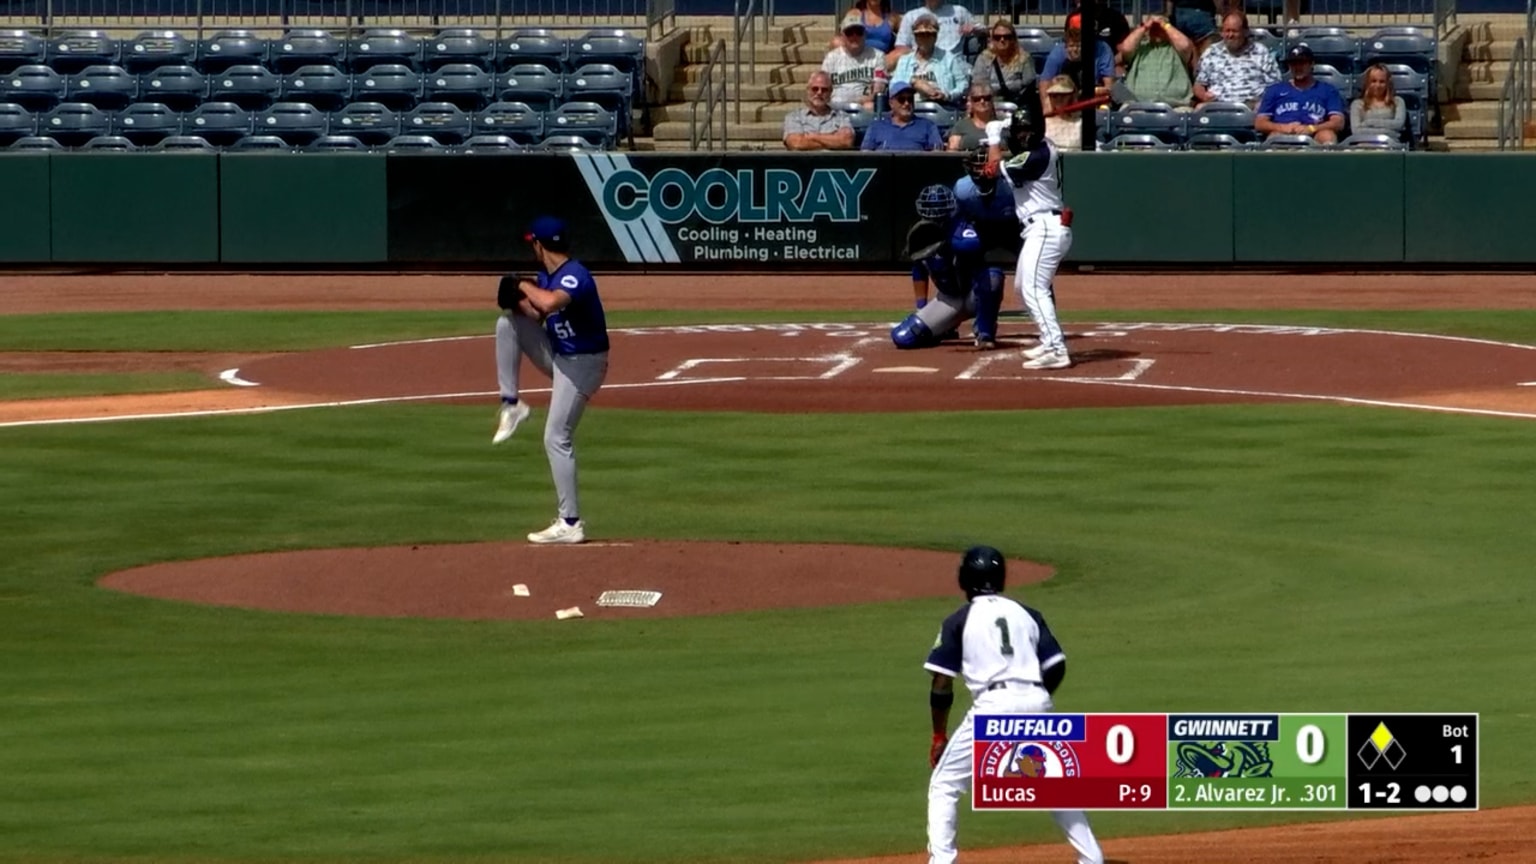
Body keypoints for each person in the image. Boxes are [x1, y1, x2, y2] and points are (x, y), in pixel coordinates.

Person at [924, 545, 1106, 864]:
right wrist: (1035, 703)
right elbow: (1056, 665)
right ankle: (1092, 858)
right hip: (1037, 700)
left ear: (965, 579)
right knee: (1055, 785)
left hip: (994, 704)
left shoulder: (959, 620)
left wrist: (939, 735)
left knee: (945, 784)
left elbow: (941, 682)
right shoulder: (1028, 614)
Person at [493, 216, 610, 545]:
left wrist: (522, 284)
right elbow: (538, 313)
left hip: (584, 364)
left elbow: (549, 301)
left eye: (532, 243)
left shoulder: (575, 274)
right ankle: (511, 404)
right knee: (508, 324)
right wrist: (517, 300)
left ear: (539, 245)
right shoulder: (547, 277)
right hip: (560, 356)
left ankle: (570, 523)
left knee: (557, 436)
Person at [984, 89, 1074, 370]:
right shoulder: (1042, 147)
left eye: (1027, 131)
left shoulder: (1036, 156)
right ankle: (1049, 341)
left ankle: (1057, 349)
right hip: (1041, 228)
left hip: (1045, 227)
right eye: (1020, 131)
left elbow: (992, 168)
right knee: (1024, 288)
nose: (1023, 136)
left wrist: (994, 136)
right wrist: (1009, 127)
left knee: (1035, 288)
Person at [891, 185, 1005, 350]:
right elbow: (919, 269)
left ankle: (984, 332)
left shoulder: (962, 225)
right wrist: (921, 307)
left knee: (993, 276)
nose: (934, 213)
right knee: (903, 337)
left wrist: (946, 242)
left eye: (938, 208)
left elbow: (973, 244)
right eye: (930, 208)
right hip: (949, 298)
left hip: (973, 294)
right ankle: (946, 327)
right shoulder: (920, 233)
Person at [1255, 44, 1345, 143]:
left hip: (1315, 134)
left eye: (1302, 63)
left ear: (1311, 64)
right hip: (1284, 133)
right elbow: (1260, 123)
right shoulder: (1275, 90)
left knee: (1327, 135)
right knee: (1275, 136)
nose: (1298, 67)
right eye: (1294, 64)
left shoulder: (1327, 90)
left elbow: (1338, 122)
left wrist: (1311, 128)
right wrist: (1282, 127)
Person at [1193, 11, 1281, 107]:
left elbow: (1275, 84)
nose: (1230, 35)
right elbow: (1199, 85)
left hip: (1251, 105)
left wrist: (1263, 103)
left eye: (1234, 31)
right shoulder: (1212, 52)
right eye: (1227, 31)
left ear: (1245, 32)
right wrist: (1204, 96)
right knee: (1199, 109)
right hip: (1218, 104)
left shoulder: (1260, 51)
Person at [1118, 14, 1196, 108]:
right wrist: (1145, 26)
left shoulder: (1177, 49)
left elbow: (1185, 45)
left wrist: (1164, 25)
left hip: (1177, 107)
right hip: (1137, 106)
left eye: (1160, 28)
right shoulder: (1139, 48)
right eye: (1153, 28)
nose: (1157, 30)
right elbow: (1125, 48)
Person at [892, 12, 970, 104]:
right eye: (920, 35)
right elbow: (893, 86)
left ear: (935, 37)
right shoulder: (904, 61)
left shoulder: (949, 59)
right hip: (911, 106)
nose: (925, 39)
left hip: (941, 106)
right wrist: (912, 82)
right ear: (915, 37)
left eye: (929, 34)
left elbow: (963, 84)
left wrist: (947, 95)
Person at [1038, 24, 1115, 109]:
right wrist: (1047, 111)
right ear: (1065, 47)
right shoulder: (1057, 55)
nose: (1075, 49)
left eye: (1078, 46)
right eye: (1071, 46)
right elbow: (1044, 83)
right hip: (1066, 101)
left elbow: (1109, 87)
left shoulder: (1103, 50)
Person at [823, 17, 887, 107]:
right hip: (836, 107)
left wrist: (860, 102)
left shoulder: (877, 56)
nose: (854, 37)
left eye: (858, 32)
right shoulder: (831, 57)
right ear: (842, 36)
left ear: (865, 35)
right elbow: (823, 85)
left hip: (863, 106)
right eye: (849, 33)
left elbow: (879, 88)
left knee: (870, 106)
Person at [861, 81, 944, 150]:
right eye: (901, 99)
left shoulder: (928, 126)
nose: (906, 103)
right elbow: (866, 156)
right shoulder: (876, 127)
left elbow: (936, 155)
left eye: (910, 99)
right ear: (891, 103)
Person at [783, 71, 856, 150]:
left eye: (824, 90)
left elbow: (846, 141)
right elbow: (796, 143)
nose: (819, 93)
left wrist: (812, 136)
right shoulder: (794, 117)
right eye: (815, 89)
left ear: (830, 93)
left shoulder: (841, 116)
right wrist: (833, 139)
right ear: (808, 90)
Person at [969, 19, 1035, 106]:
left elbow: (1028, 87)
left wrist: (995, 87)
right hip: (990, 105)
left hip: (1017, 104)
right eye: (997, 37)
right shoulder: (983, 58)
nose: (1002, 40)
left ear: (1013, 38)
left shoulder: (1024, 58)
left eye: (1007, 37)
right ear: (992, 39)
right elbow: (979, 86)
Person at [891, 0, 976, 64]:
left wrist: (974, 30)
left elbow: (981, 30)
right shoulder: (911, 16)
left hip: (954, 64)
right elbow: (901, 47)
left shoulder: (960, 12)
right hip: (922, 65)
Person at [1350, 63, 1407, 139]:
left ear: (1387, 83)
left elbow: (1399, 124)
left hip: (1389, 143)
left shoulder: (1398, 102)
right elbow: (1356, 131)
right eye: (1373, 81)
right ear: (1368, 83)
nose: (1378, 85)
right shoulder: (1357, 104)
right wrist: (1390, 132)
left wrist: (1369, 123)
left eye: (1382, 81)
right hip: (1364, 142)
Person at [829, 0, 901, 56]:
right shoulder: (856, 14)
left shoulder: (892, 18)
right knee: (836, 42)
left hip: (883, 59)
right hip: (859, 57)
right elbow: (843, 35)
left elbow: (905, 37)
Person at [1043, 75, 1084, 150]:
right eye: (1054, 95)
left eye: (1063, 95)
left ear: (1072, 96)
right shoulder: (1042, 124)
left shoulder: (1082, 124)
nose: (1059, 99)